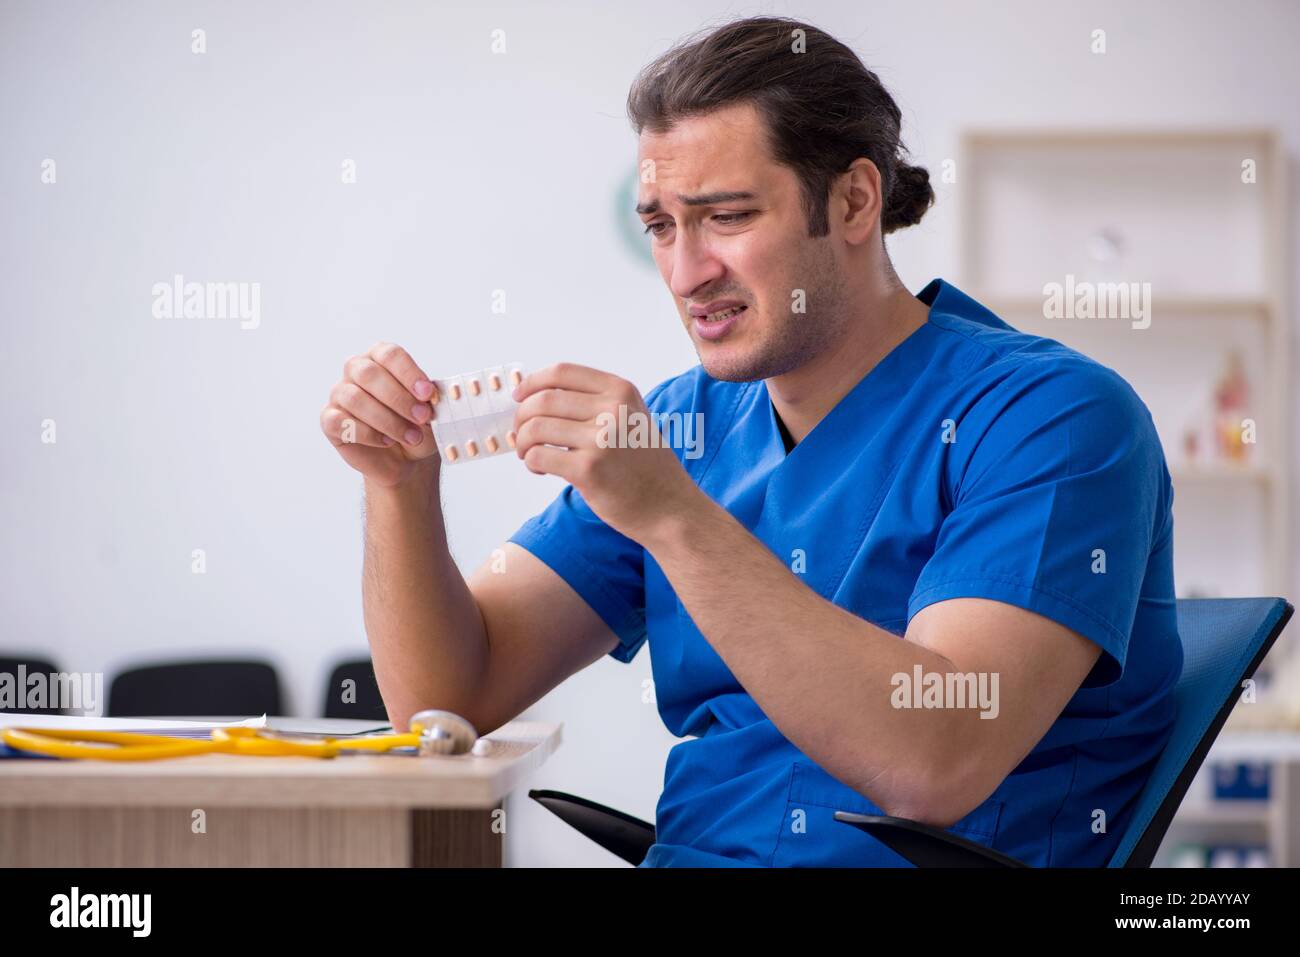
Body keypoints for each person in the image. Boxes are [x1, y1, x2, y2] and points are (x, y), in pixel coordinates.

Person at [319, 16, 1182, 867]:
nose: (687, 273)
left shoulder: (1053, 418)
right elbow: (445, 700)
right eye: (660, 226)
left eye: (725, 216)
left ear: (853, 201)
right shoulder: (683, 432)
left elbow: (934, 761)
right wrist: (397, 488)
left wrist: (673, 517)